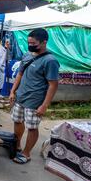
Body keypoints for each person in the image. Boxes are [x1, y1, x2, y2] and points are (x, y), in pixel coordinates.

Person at [9, 28, 59, 164]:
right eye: (29, 43)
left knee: (32, 127)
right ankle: (17, 145)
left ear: (44, 42)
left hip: (35, 101)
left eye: (34, 44)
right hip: (20, 97)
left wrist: (44, 105)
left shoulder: (50, 61)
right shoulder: (27, 55)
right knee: (17, 121)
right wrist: (13, 91)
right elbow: (20, 74)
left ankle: (26, 153)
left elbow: (53, 85)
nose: (30, 46)